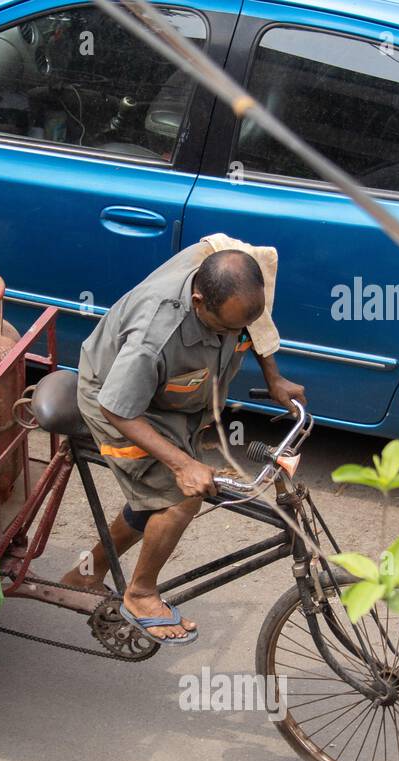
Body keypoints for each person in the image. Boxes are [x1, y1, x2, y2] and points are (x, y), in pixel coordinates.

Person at [60, 238, 306, 644]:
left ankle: (84, 575)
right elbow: (117, 408)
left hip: (175, 394)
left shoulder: (239, 274)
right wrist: (181, 464)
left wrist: (273, 376)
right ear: (198, 300)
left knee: (159, 493)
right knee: (181, 495)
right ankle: (140, 594)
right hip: (117, 398)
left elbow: (254, 323)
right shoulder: (156, 333)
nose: (233, 335)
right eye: (225, 328)